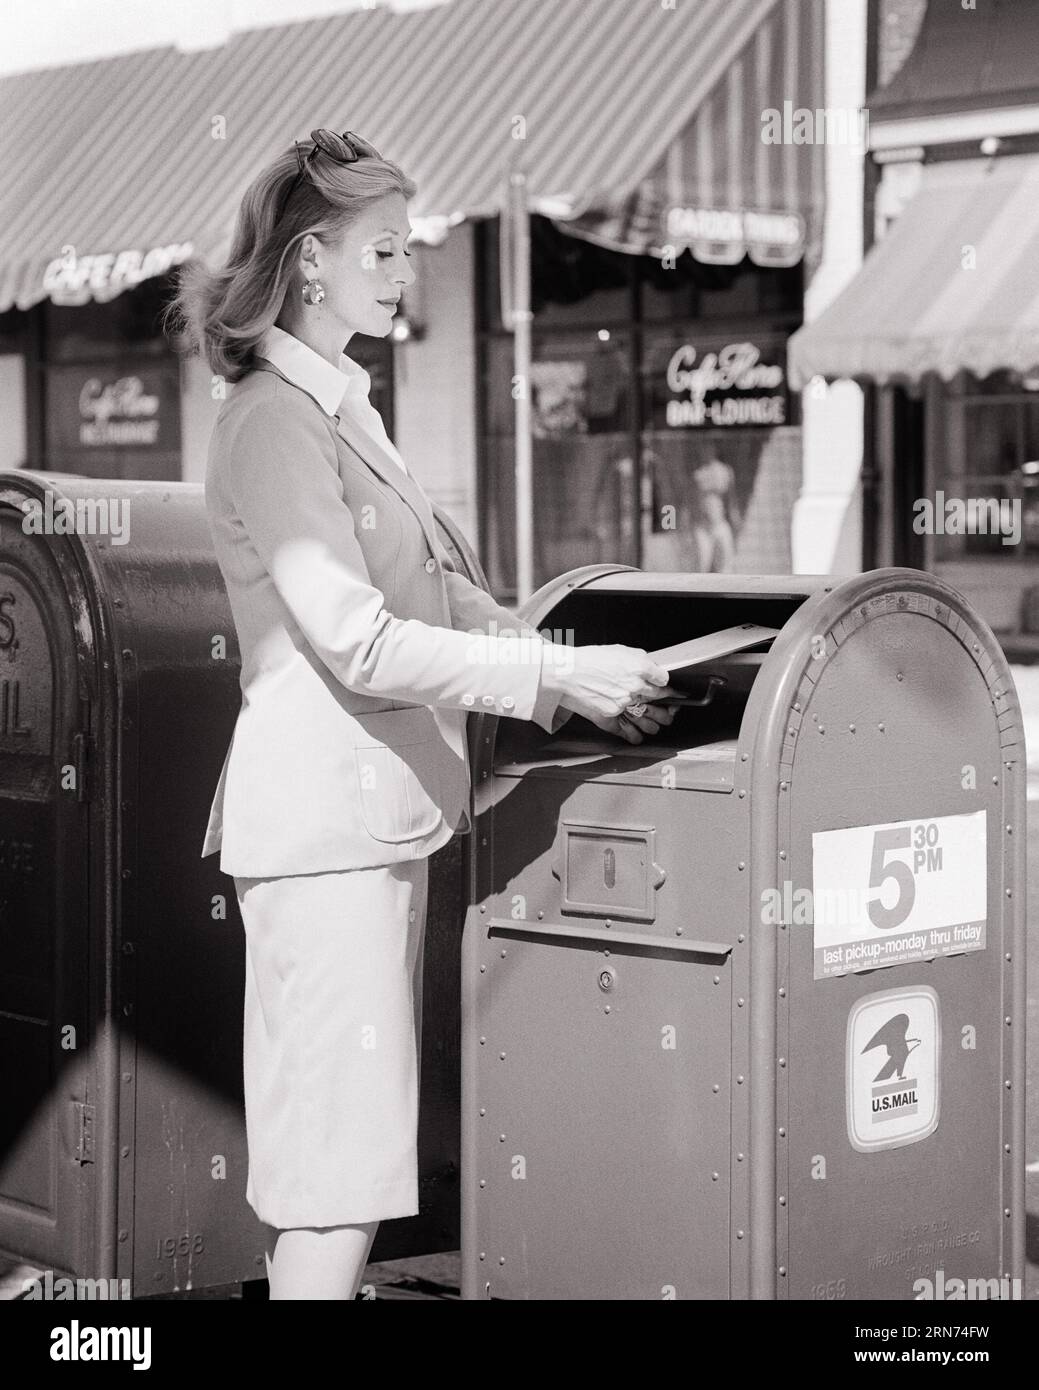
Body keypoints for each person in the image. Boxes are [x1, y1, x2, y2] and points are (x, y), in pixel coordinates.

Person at [164, 128, 677, 1300]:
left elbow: (437, 591)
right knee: (337, 1182)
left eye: (410, 250)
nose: (406, 275)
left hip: (372, 830)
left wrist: (564, 655)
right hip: (328, 844)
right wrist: (555, 681)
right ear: (308, 262)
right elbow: (357, 638)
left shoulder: (344, 410)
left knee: (336, 1167)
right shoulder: (274, 423)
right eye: (384, 251)